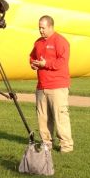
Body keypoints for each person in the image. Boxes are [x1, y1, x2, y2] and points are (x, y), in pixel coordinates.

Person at [29, 15, 73, 153]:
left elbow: (62, 62)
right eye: (39, 28)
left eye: (43, 28)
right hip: (42, 86)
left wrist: (45, 64)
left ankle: (66, 145)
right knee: (43, 117)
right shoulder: (38, 42)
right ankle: (46, 142)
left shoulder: (60, 41)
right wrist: (33, 64)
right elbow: (32, 56)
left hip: (57, 85)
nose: (41, 30)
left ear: (50, 26)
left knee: (60, 116)